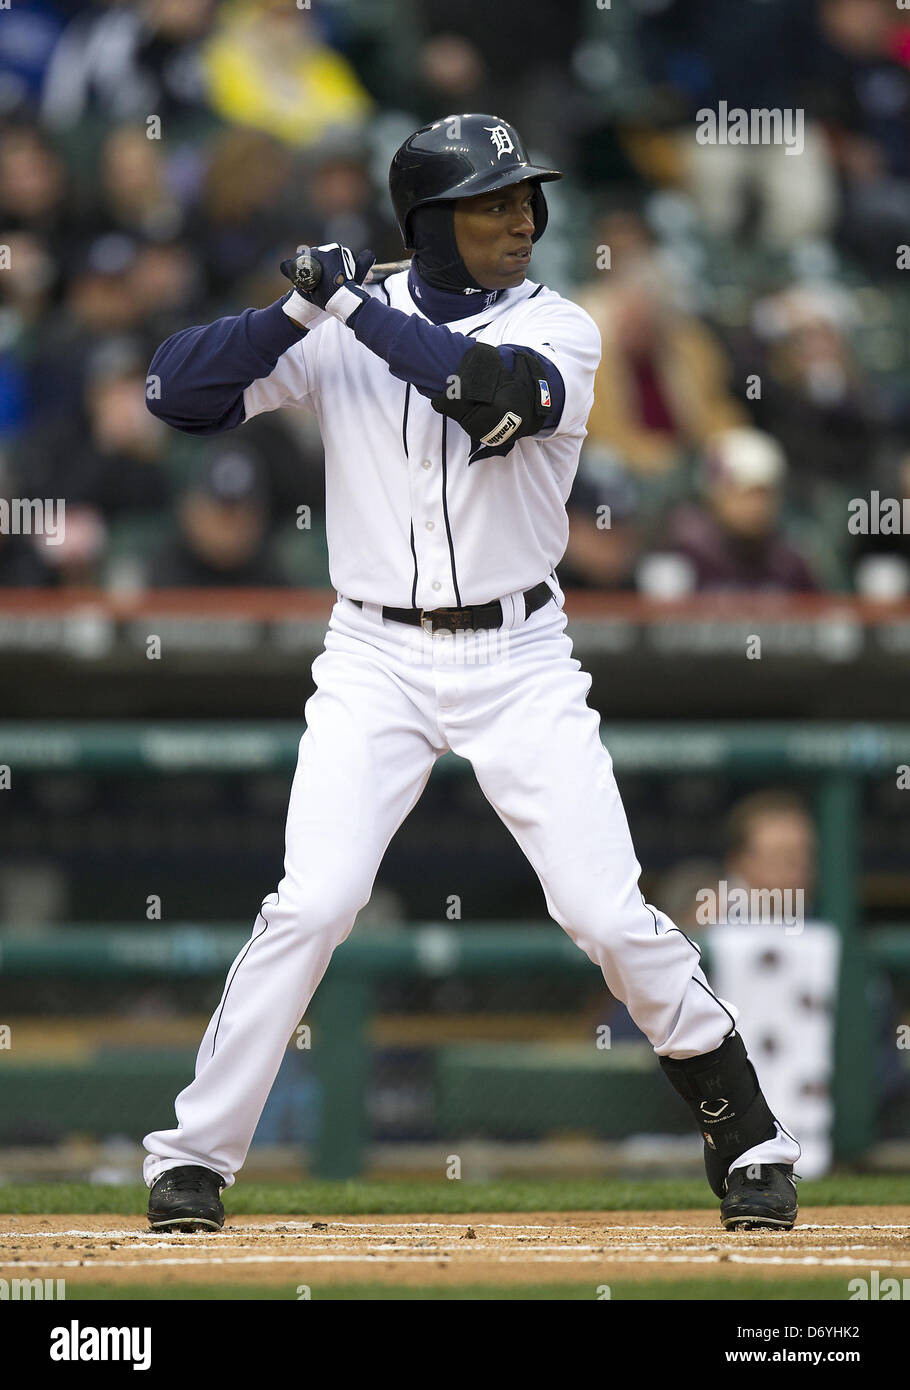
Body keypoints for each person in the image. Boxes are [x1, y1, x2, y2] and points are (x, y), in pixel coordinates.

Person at [140, 114, 800, 1233]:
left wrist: (351, 308)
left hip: (519, 653)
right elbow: (174, 393)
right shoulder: (340, 321)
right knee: (314, 903)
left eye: (524, 198)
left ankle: (749, 1144)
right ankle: (192, 1159)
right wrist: (294, 311)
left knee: (603, 911)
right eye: (491, 202)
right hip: (372, 655)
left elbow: (490, 395)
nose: (520, 219)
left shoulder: (560, 325)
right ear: (428, 223)